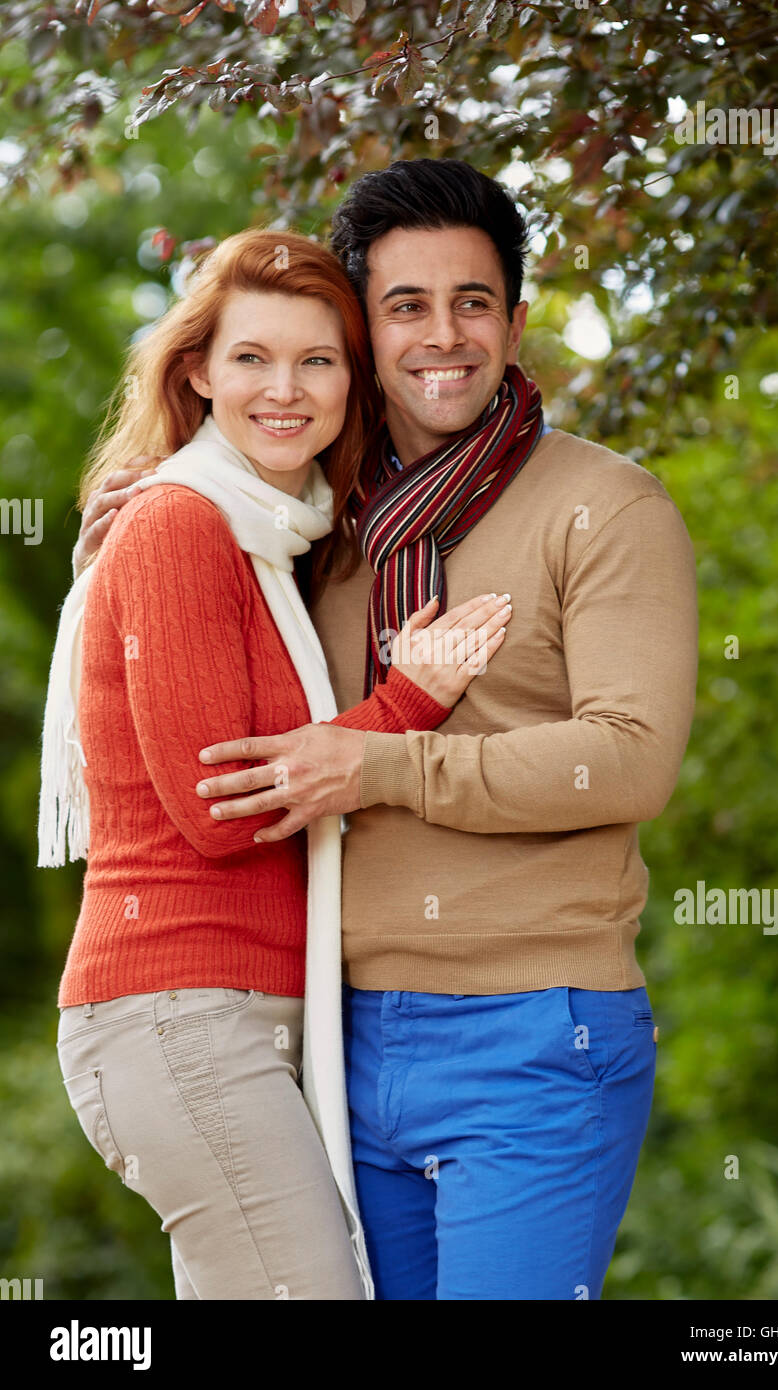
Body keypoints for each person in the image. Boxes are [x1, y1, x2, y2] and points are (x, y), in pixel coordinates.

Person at [75, 158, 699, 1301]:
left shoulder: (603, 504)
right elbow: (198, 687)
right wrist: (134, 535)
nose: (442, 335)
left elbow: (628, 757)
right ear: (367, 331)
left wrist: (378, 763)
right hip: (342, 1036)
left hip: (534, 1030)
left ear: (514, 321)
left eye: (473, 302)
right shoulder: (313, 528)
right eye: (405, 305)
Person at [39, 226, 513, 1300]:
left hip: (228, 1015)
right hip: (179, 1012)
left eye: (317, 360)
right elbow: (218, 808)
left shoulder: (269, 538)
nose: (283, 390)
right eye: (251, 358)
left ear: (352, 382)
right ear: (198, 370)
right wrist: (411, 699)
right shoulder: (183, 527)